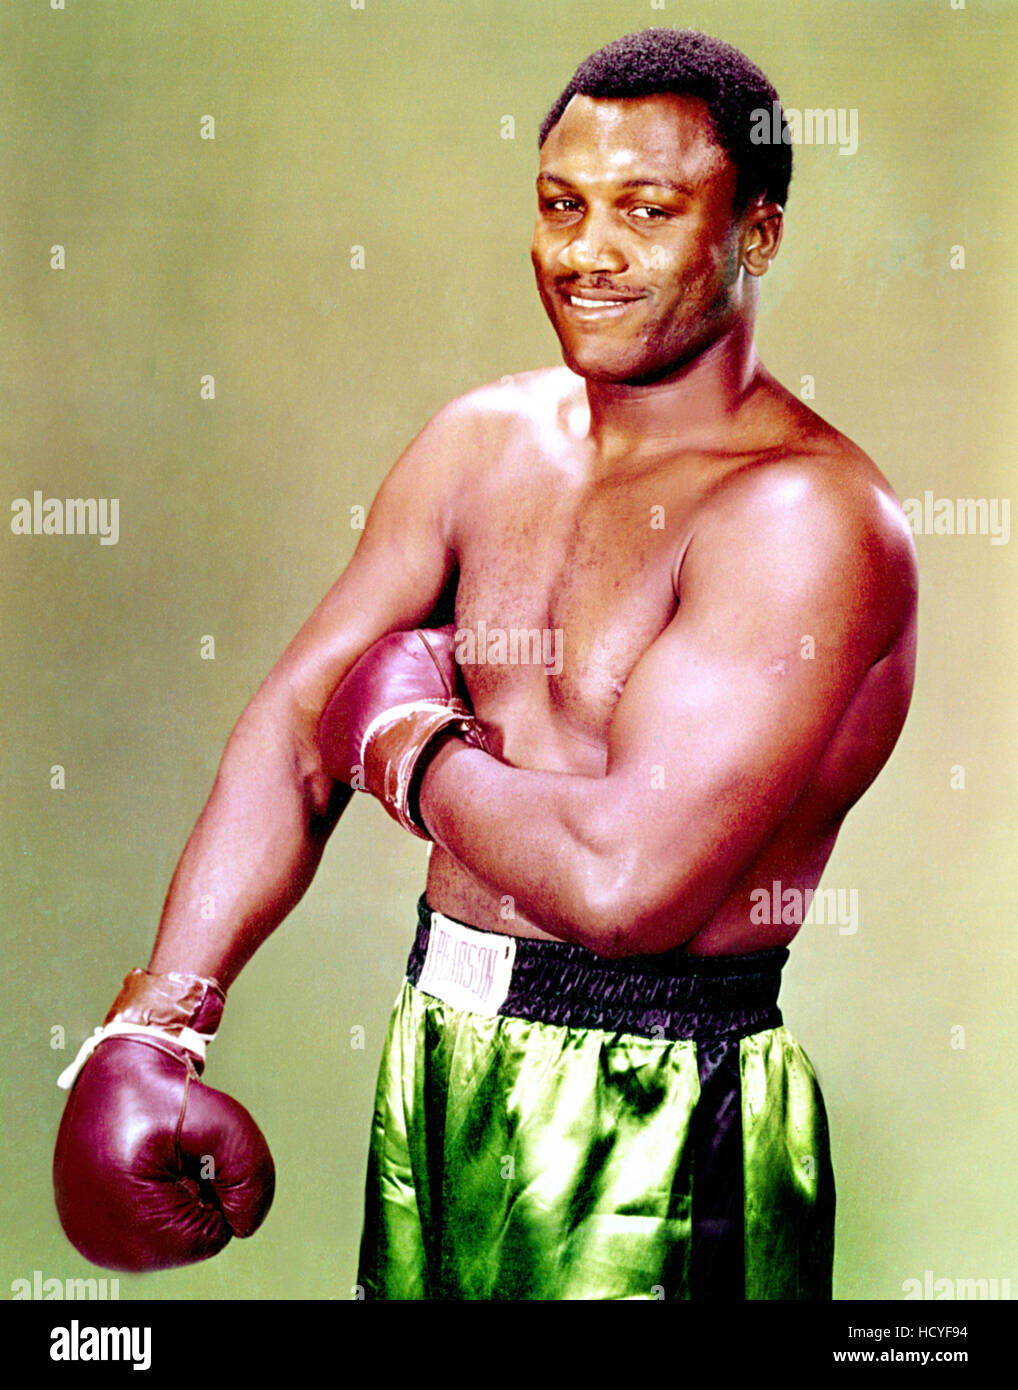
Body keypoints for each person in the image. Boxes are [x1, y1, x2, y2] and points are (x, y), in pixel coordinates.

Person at [53, 28, 917, 1300]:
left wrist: (406, 750)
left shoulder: (801, 518)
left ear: (756, 235)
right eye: (562, 205)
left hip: (657, 1102)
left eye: (646, 209)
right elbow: (300, 722)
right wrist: (155, 1025)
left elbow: (623, 882)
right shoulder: (478, 446)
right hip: (435, 1056)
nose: (587, 251)